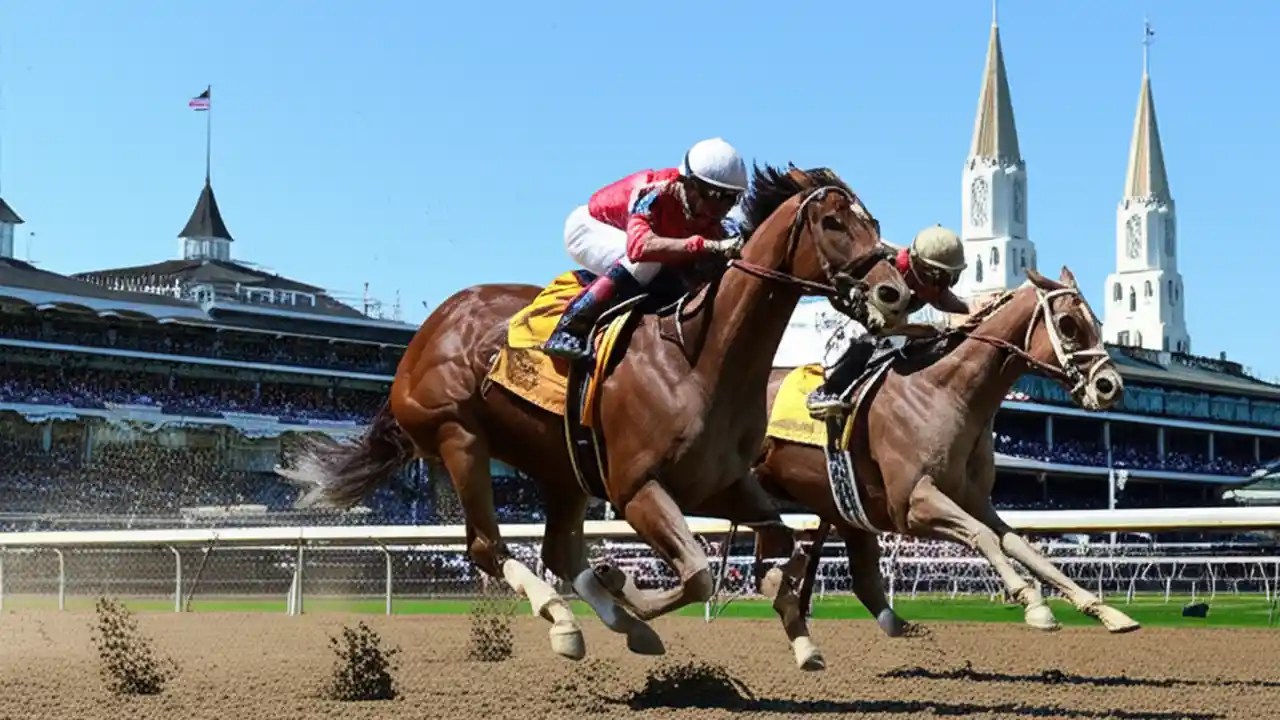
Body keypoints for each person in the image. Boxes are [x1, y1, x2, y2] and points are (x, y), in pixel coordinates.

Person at [541, 137, 748, 360]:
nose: (724, 208)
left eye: (732, 198)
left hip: (630, 238)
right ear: (690, 184)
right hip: (589, 228)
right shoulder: (654, 192)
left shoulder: (711, 217)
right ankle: (571, 326)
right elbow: (639, 247)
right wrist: (707, 245)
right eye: (717, 196)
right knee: (649, 262)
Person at [806, 224, 972, 418]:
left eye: (951, 280)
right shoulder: (885, 274)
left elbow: (947, 302)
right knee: (868, 342)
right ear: (917, 268)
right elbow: (887, 329)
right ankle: (827, 392)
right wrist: (931, 329)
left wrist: (982, 310)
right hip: (848, 329)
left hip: (888, 331)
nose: (940, 289)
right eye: (937, 279)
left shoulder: (924, 282)